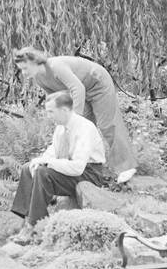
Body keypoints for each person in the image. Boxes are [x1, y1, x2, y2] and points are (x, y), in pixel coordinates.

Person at [14, 46, 137, 183]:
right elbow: (55, 98)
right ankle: (84, 168)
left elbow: (77, 88)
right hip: (83, 91)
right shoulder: (39, 78)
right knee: (78, 131)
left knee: (107, 124)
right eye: (21, 69)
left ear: (34, 62)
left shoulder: (56, 66)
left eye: (25, 68)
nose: (23, 73)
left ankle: (127, 167)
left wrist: (75, 118)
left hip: (98, 83)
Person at [10, 91, 112, 243]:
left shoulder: (85, 128)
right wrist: (40, 160)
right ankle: (26, 221)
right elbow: (53, 152)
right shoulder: (61, 128)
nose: (48, 115)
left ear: (64, 110)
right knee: (28, 168)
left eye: (51, 111)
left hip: (89, 174)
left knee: (43, 173)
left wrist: (48, 163)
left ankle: (34, 226)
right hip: (70, 170)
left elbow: (78, 167)